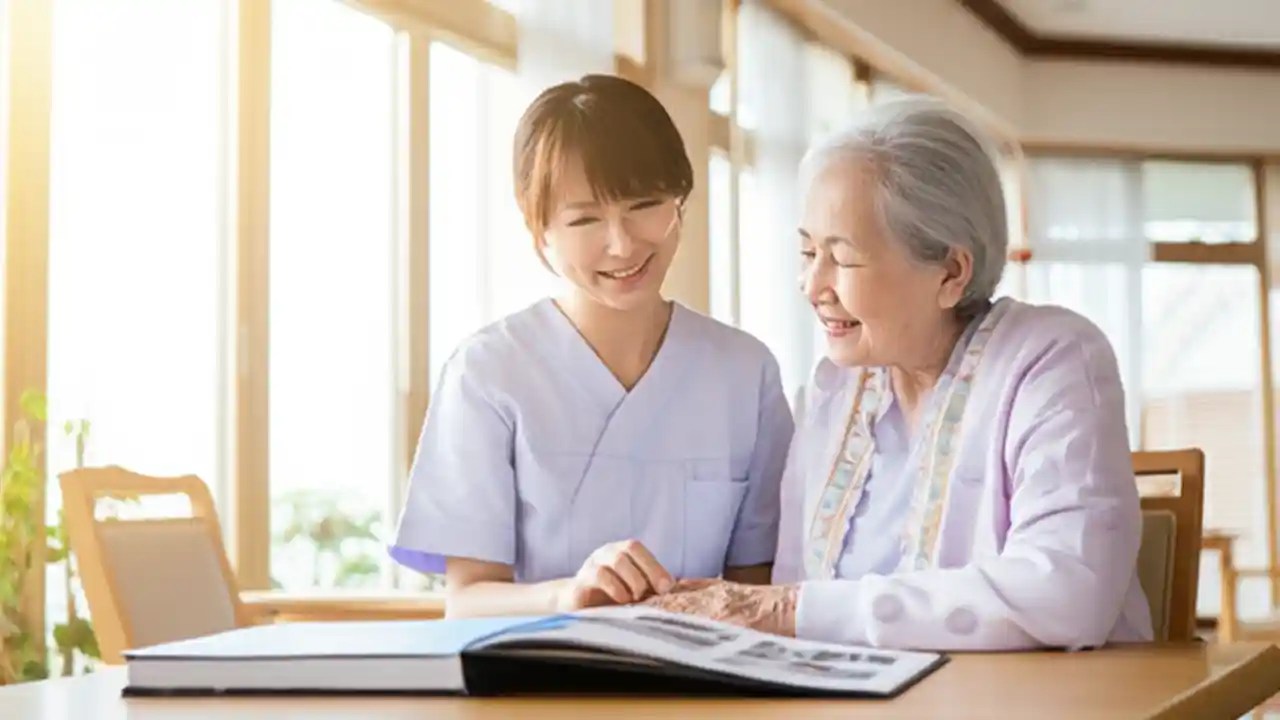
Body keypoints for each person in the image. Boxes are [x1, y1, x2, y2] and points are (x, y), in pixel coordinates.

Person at [641, 95, 1154, 651]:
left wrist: (790, 608)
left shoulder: (1051, 359)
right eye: (808, 252)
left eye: (843, 257)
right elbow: (792, 599)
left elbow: (1067, 595)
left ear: (951, 272)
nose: (813, 286)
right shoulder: (835, 393)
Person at [389, 74, 793, 618]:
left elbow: (759, 589)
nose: (622, 243)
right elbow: (467, 600)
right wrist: (569, 595)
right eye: (584, 219)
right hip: (536, 690)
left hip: (701, 689)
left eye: (644, 204)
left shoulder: (745, 372)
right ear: (540, 231)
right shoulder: (488, 372)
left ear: (682, 203)